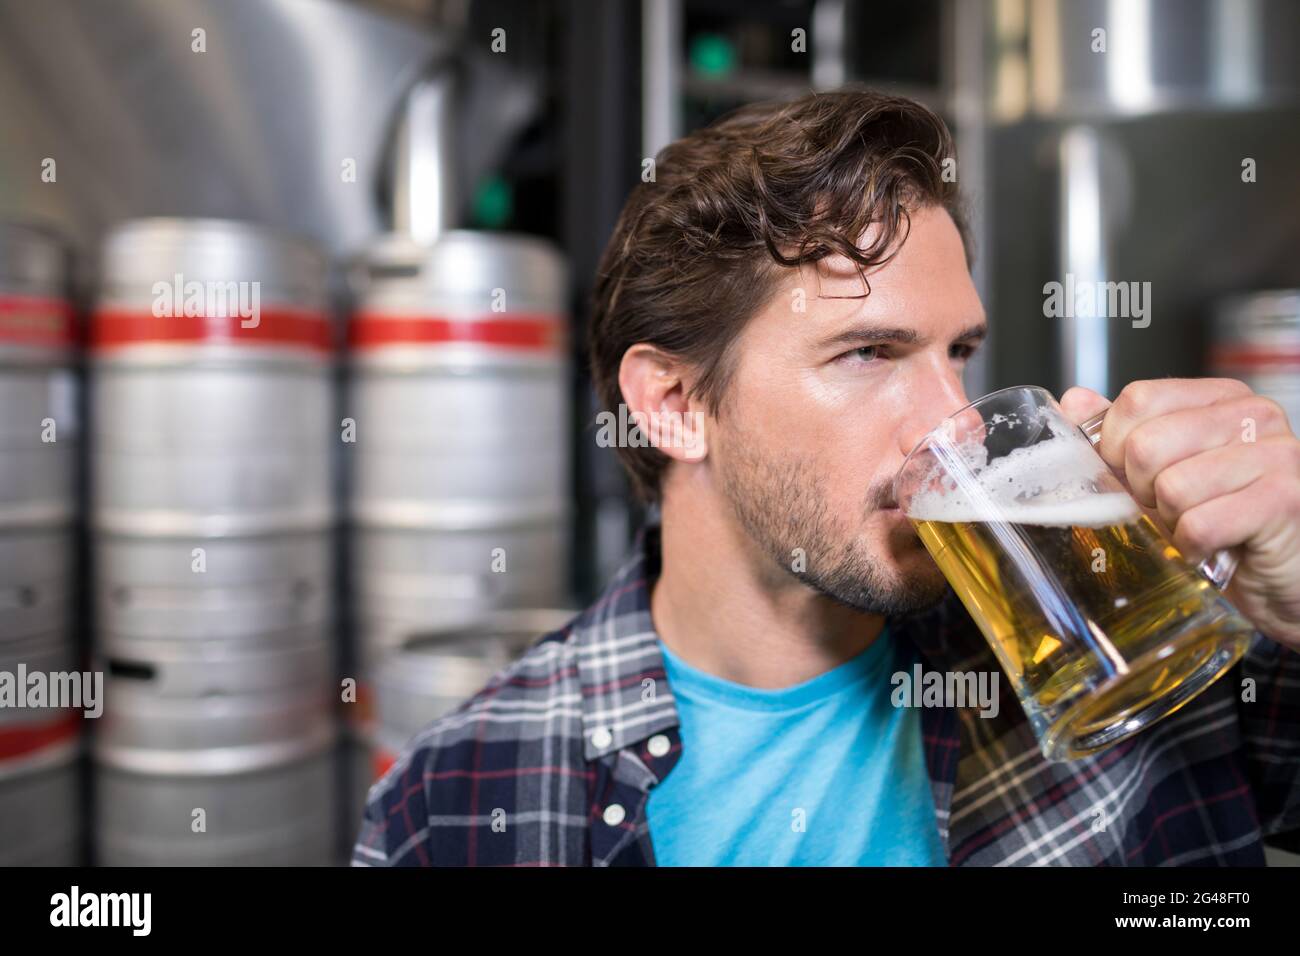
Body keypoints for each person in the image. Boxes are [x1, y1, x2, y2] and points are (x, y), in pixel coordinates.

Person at [352, 89, 1300, 866]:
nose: (952, 422)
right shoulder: (460, 802)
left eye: (958, 351)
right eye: (867, 353)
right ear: (674, 402)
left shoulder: (1116, 640)